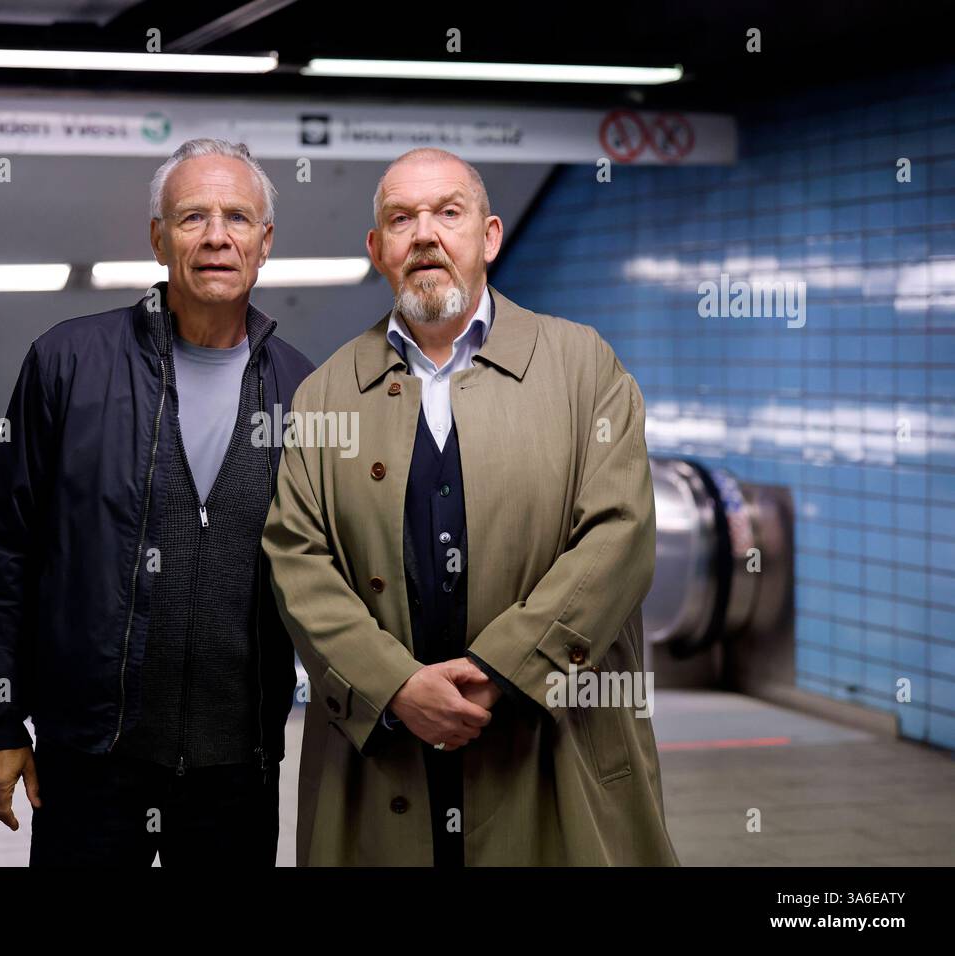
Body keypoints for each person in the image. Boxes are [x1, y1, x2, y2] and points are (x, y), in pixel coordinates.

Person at [262, 147, 679, 865]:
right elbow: (296, 557)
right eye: (401, 219)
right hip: (383, 749)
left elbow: (621, 533)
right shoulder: (325, 394)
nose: (424, 234)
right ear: (378, 250)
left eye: (447, 213)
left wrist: (506, 670)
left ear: (488, 237)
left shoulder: (584, 368)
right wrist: (394, 685)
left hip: (552, 745)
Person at [0, 138, 314, 866]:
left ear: (265, 241)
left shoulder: (303, 389)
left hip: (236, 769)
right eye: (192, 218)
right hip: (90, 759)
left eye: (238, 218)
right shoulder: (68, 363)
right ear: (158, 237)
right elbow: (4, 551)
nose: (217, 236)